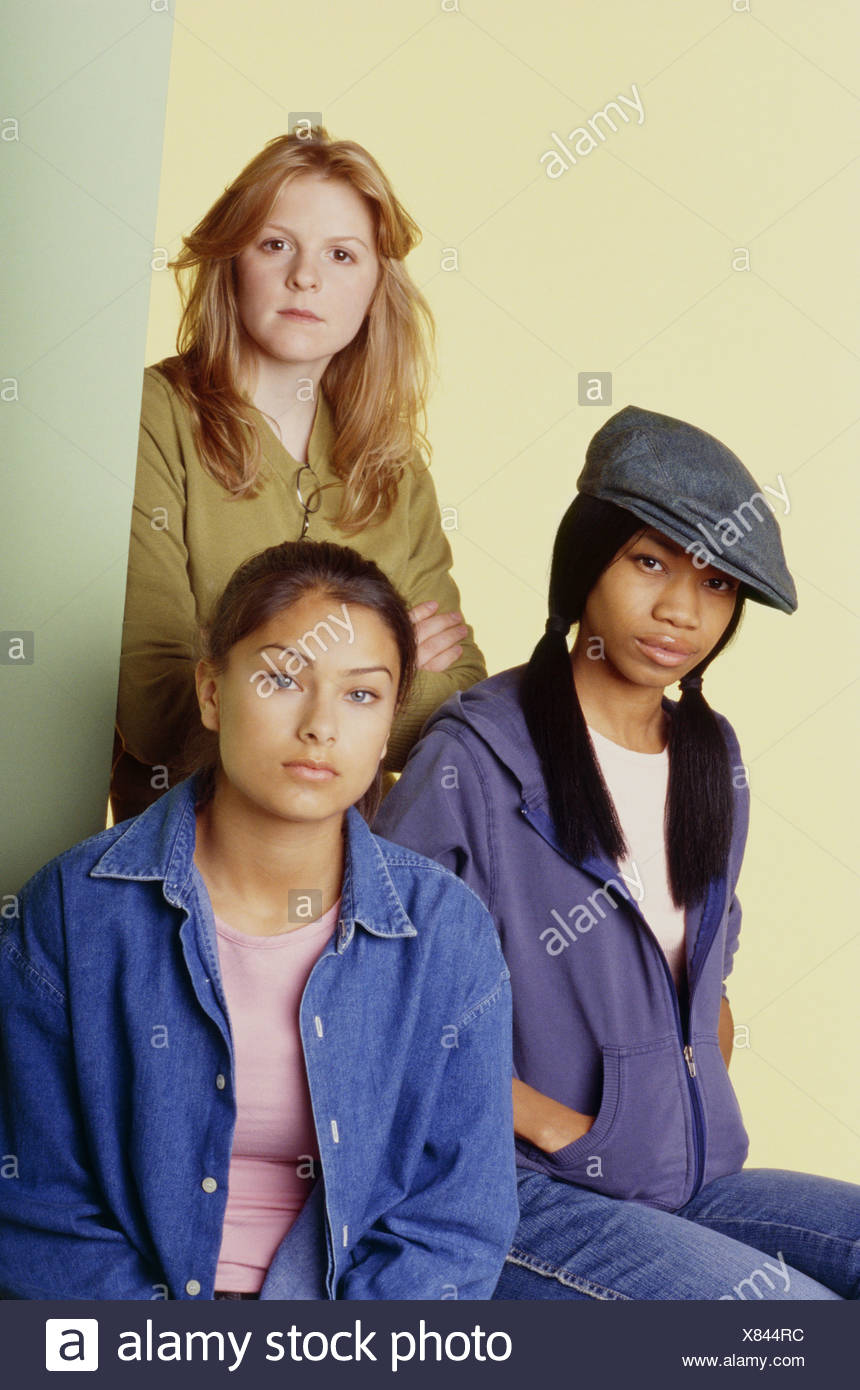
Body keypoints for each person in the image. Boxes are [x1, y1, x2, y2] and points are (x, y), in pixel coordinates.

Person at [375, 405, 860, 1300]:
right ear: (583, 563)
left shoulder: (713, 759)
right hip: (524, 1193)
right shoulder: (477, 757)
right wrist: (562, 1128)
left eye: (716, 585)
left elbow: (704, 975)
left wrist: (679, 1104)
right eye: (649, 562)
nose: (681, 608)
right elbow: (376, 1001)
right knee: (797, 1329)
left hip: (693, 1181)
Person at [0, 540, 517, 1300]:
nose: (320, 726)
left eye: (362, 695)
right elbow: (35, 1206)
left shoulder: (446, 932)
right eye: (281, 679)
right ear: (212, 692)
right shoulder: (74, 909)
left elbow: (453, 1223)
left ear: (389, 723)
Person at [111, 126, 485, 823]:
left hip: (355, 877)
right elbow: (160, 709)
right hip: (176, 869)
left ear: (377, 286)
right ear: (231, 260)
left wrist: (259, 672)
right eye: (275, 244)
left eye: (341, 255)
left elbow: (458, 713)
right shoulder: (149, 417)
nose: (305, 277)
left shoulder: (393, 463)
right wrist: (379, 669)